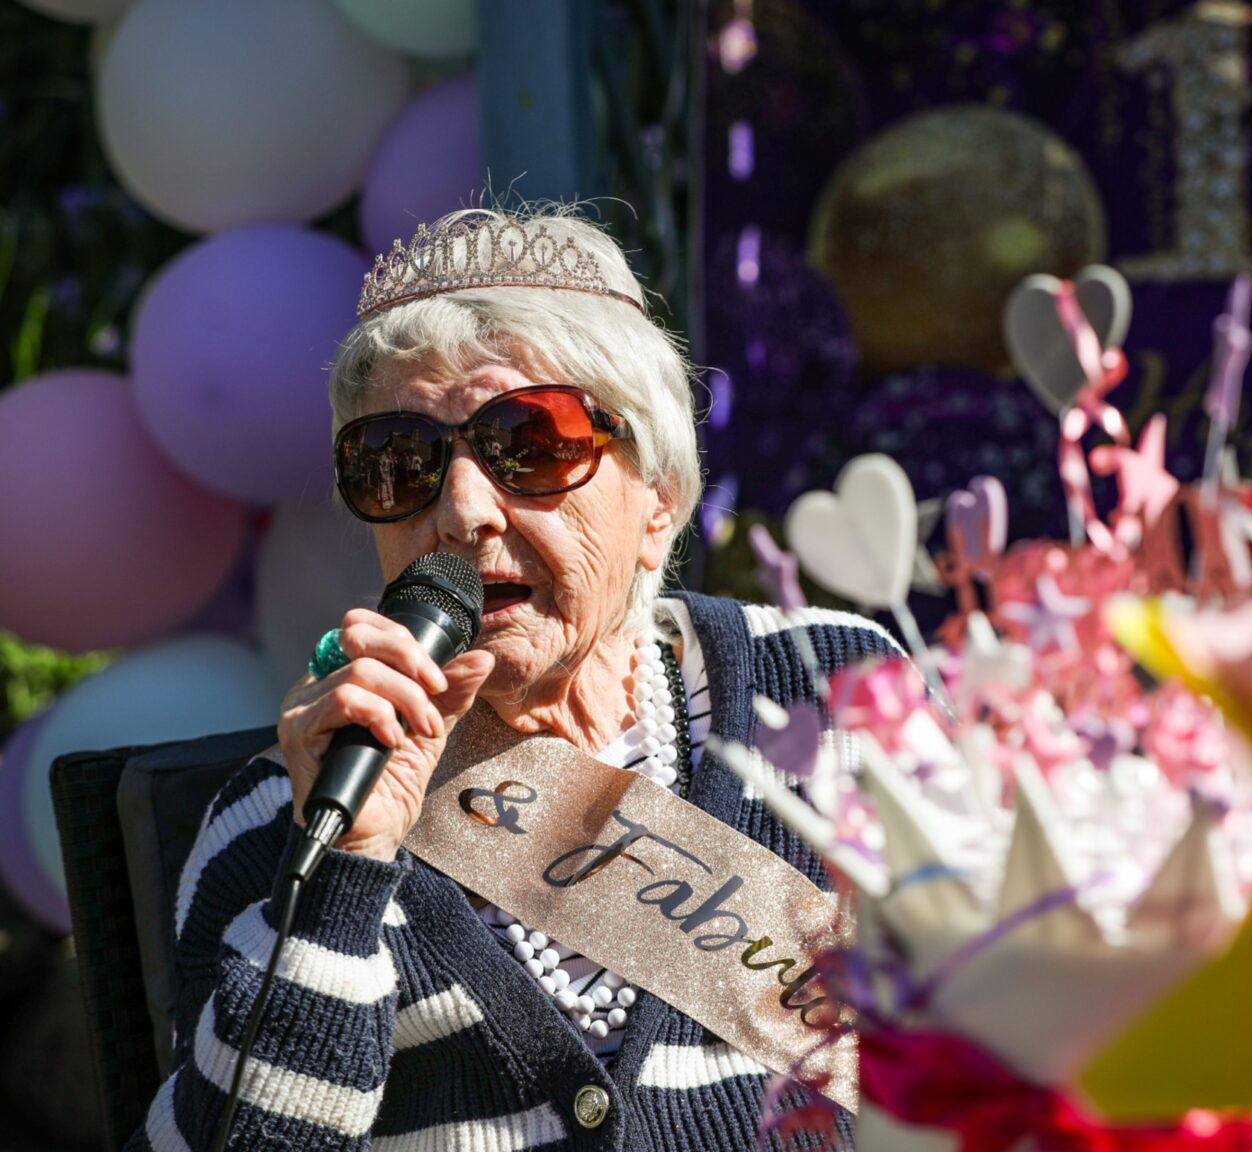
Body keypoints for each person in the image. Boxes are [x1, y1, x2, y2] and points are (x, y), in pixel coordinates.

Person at [131, 206, 898, 1151]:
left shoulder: (838, 690)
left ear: (658, 497)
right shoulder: (286, 817)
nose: (462, 511)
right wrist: (344, 870)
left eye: (531, 445)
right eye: (398, 462)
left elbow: (1013, 1035)